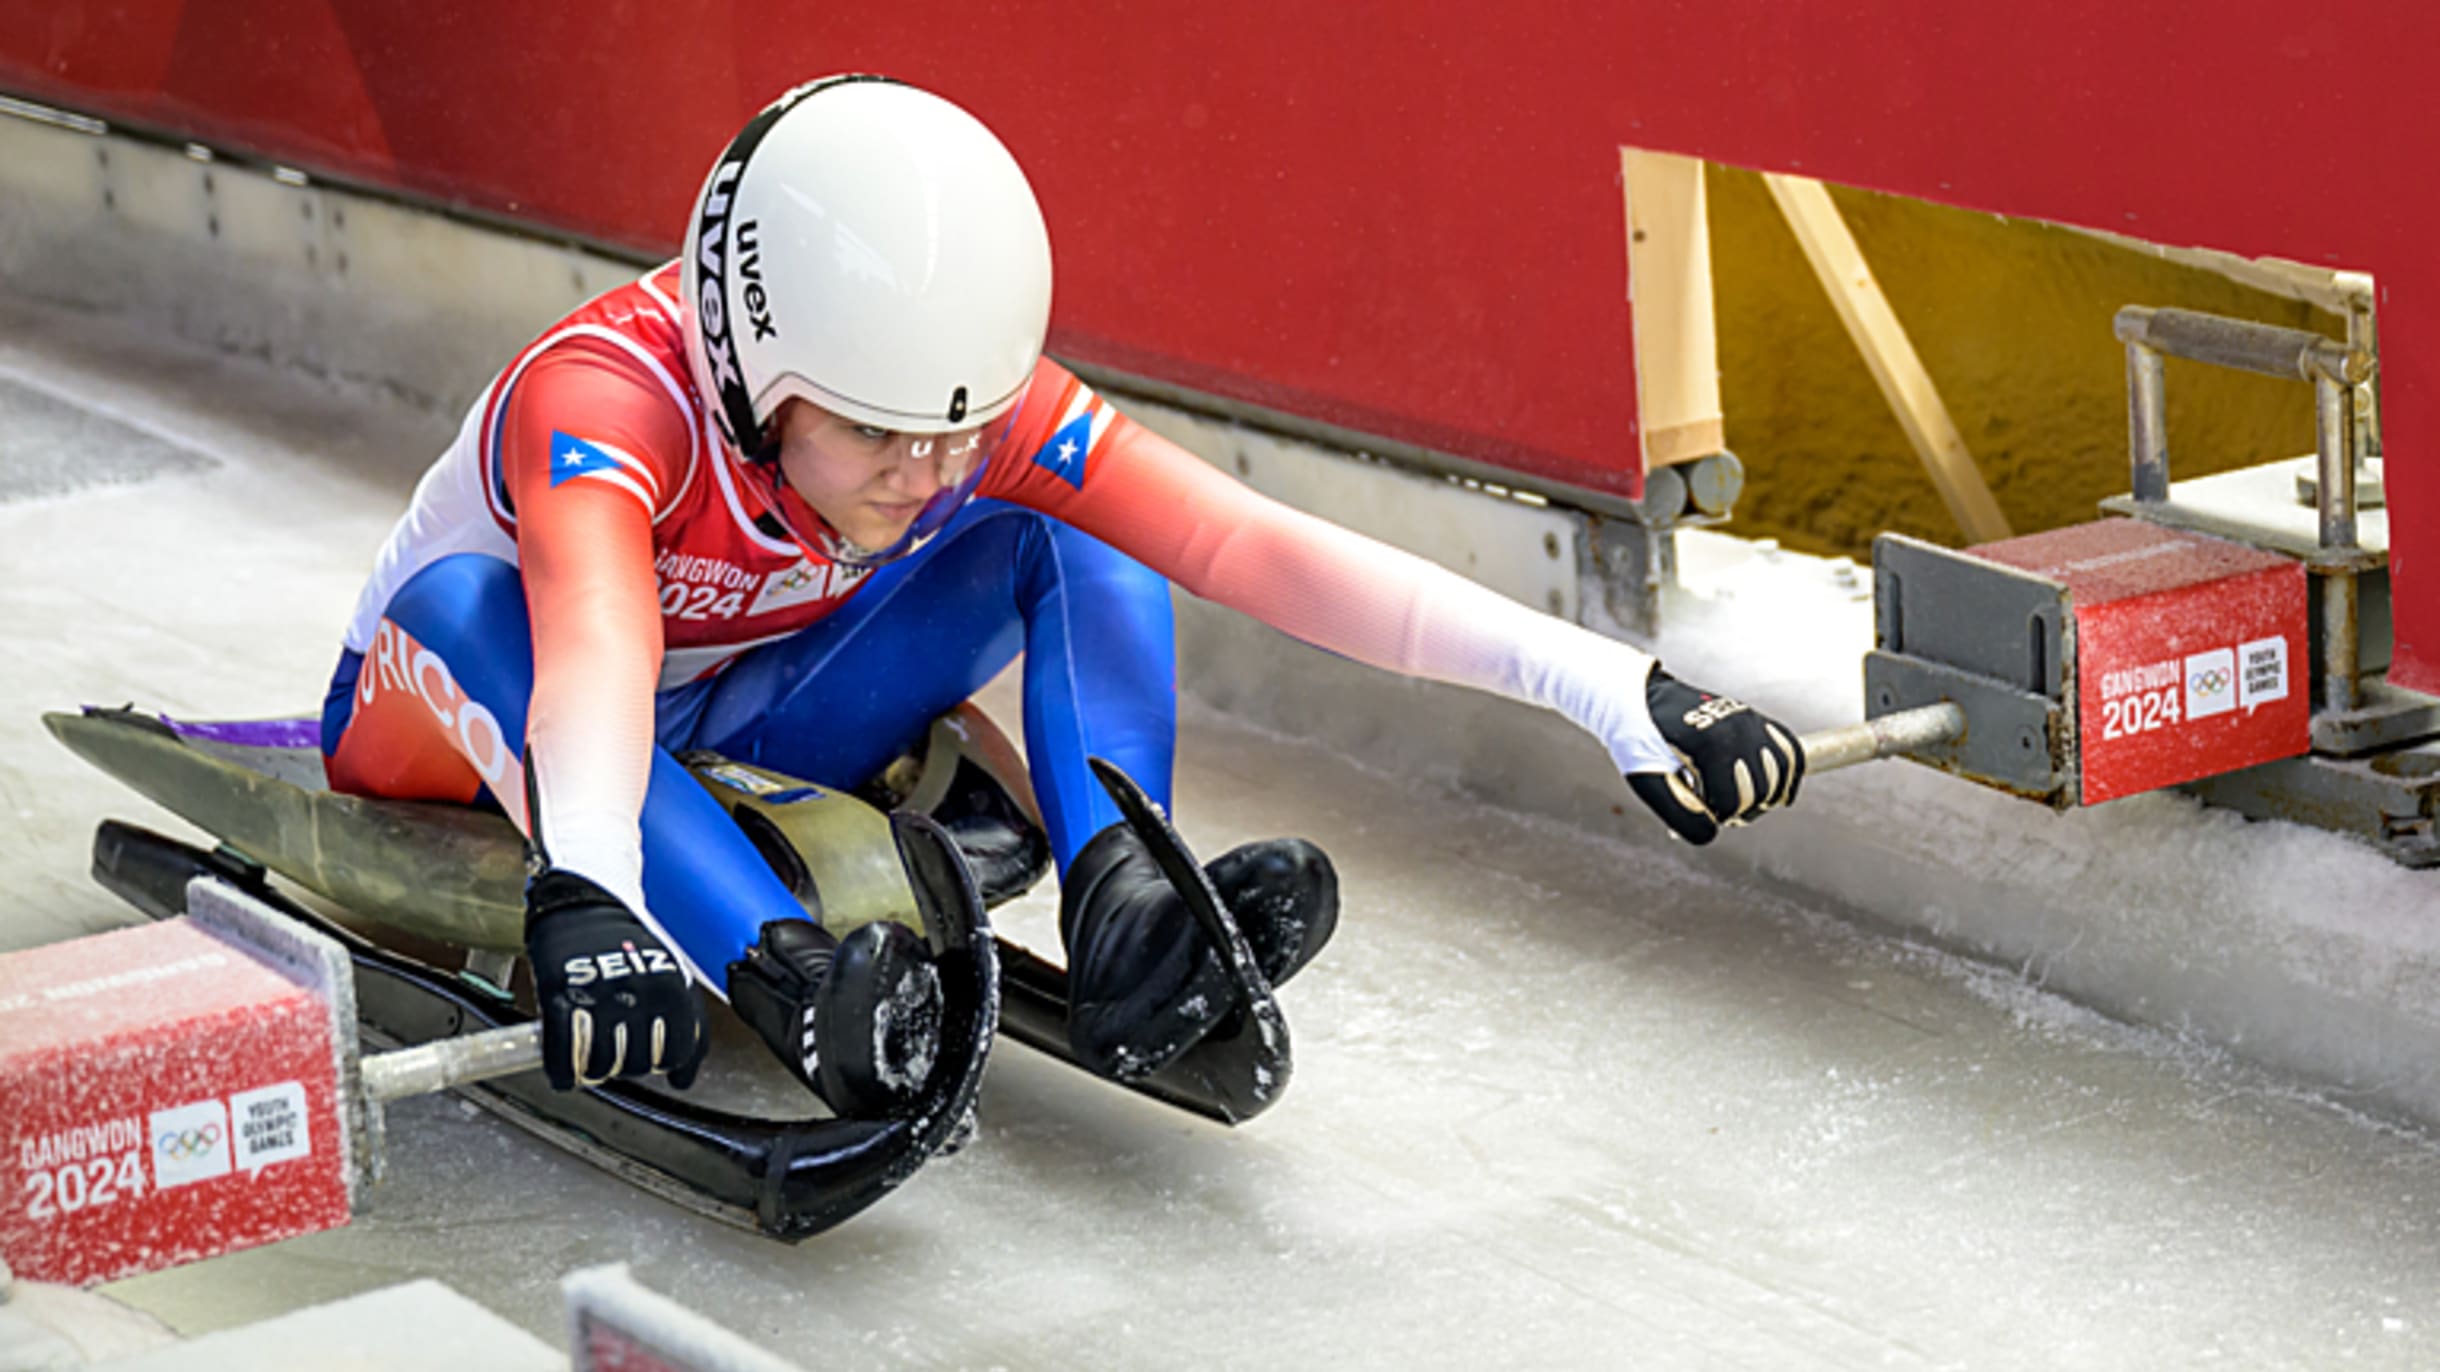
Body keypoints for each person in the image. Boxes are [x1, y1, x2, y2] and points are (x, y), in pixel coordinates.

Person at [320, 74, 1804, 1115]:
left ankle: (1128, 904)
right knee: (475, 602)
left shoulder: (965, 418)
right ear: (750, 373)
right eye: (878, 432)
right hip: (450, 727)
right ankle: (787, 980)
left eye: (953, 428)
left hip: (724, 705)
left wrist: (1604, 687)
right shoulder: (603, 399)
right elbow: (586, 635)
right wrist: (586, 879)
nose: (925, 469)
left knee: (1081, 530)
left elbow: (1252, 547)